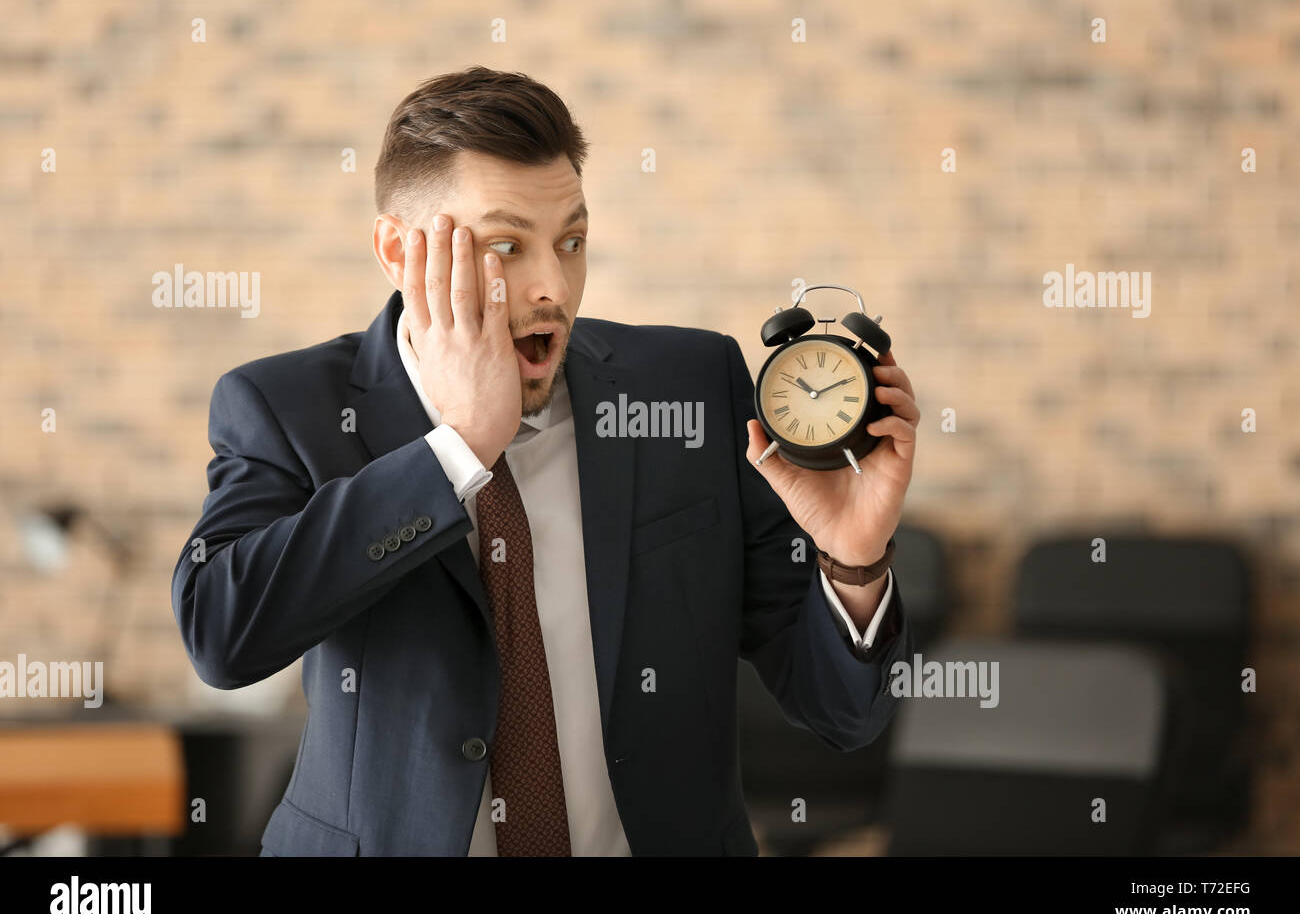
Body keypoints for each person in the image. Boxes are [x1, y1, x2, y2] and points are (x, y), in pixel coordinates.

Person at [171, 65, 920, 856]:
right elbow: (223, 637)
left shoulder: (692, 389)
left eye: (571, 241)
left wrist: (854, 559)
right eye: (506, 245)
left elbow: (844, 715)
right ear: (398, 250)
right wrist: (454, 449)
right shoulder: (288, 408)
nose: (551, 287)